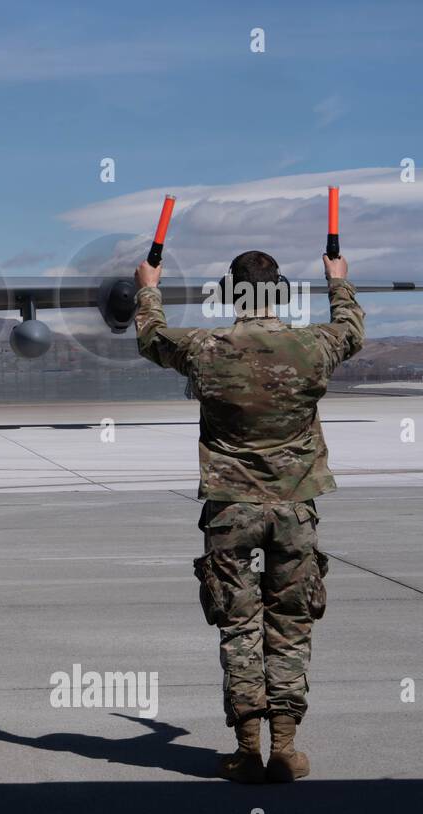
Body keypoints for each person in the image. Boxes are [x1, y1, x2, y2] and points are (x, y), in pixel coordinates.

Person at [132, 250, 365, 783]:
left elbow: (151, 338)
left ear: (231, 293)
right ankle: (285, 749)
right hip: (294, 509)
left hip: (230, 511)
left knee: (239, 625)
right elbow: (351, 329)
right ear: (279, 292)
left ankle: (247, 749)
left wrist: (149, 287)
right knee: (291, 624)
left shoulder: (205, 349)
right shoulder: (313, 346)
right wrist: (338, 281)